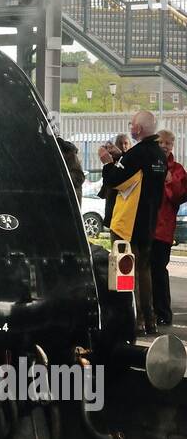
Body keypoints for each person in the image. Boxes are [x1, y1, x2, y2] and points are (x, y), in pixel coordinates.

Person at [99, 110, 168, 335]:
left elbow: (114, 180)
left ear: (138, 129)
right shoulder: (159, 154)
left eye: (132, 124)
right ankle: (149, 319)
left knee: (123, 273)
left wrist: (108, 162)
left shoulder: (137, 154)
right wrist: (121, 157)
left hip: (127, 224)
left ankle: (129, 321)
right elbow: (137, 176)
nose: (130, 127)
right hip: (148, 222)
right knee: (144, 270)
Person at [150, 129, 187, 327]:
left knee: (158, 271)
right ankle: (145, 312)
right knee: (143, 272)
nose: (165, 146)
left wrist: (170, 182)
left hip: (163, 230)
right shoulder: (147, 164)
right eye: (161, 142)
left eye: (168, 143)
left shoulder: (178, 170)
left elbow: (180, 197)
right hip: (144, 227)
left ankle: (163, 312)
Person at [99, 133, 131, 228]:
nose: (123, 146)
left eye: (126, 143)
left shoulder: (131, 161)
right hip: (112, 204)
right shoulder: (112, 161)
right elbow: (107, 182)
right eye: (120, 144)